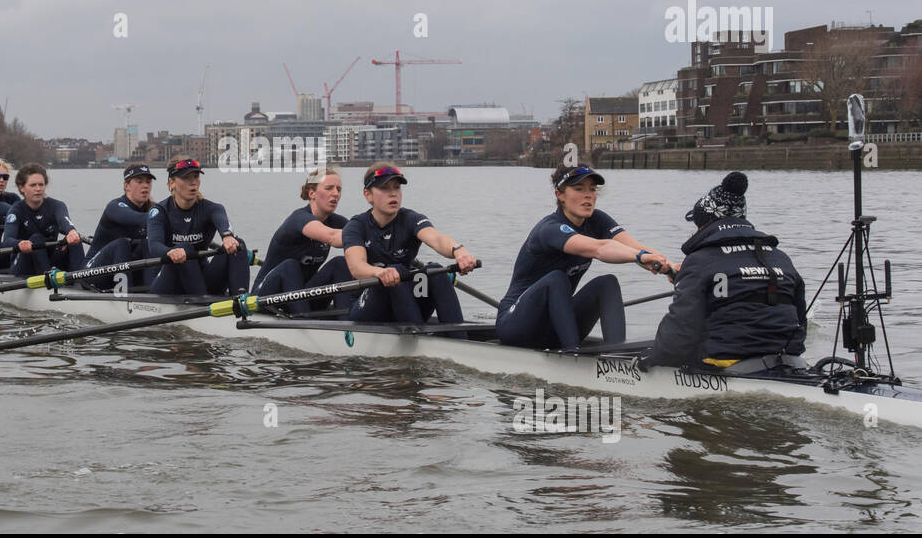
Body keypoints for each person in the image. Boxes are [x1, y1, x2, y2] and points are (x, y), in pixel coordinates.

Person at [495, 164, 672, 351]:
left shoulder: (597, 220)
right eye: (579, 189)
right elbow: (599, 248)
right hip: (516, 325)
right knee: (556, 279)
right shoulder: (550, 229)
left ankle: (616, 356)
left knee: (607, 282)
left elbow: (633, 246)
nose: (588, 195)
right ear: (560, 196)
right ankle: (573, 353)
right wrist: (640, 257)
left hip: (556, 324)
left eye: (592, 189)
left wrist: (670, 266)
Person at [643, 172, 807, 370]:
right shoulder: (781, 257)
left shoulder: (699, 261)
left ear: (706, 223)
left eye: (696, 225)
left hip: (728, 364)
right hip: (791, 362)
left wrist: (653, 359)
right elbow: (800, 320)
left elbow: (681, 329)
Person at [342, 163, 477, 331]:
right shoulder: (356, 226)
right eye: (384, 188)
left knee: (436, 271)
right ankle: (420, 343)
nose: (393, 193)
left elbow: (436, 239)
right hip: (368, 307)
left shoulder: (411, 219)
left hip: (405, 300)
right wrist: (380, 273)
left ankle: (458, 340)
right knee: (396, 272)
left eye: (397, 187)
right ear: (368, 195)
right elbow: (357, 267)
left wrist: (459, 251)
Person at [251, 166, 353, 314]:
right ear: (312, 193)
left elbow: (363, 237)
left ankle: (347, 324)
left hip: (300, 295)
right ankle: (305, 321)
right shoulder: (298, 219)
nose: (336, 193)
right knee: (290, 266)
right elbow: (332, 236)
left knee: (339, 263)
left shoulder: (337, 222)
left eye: (339, 189)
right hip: (266, 296)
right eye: (329, 188)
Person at [148, 156, 249, 297]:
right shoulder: (159, 211)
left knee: (238, 244)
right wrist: (170, 252)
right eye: (186, 178)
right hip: (168, 283)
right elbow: (154, 246)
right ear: (172, 183)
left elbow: (223, 223)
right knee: (184, 247)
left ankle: (242, 302)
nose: (193, 183)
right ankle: (204, 305)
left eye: (195, 177)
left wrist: (227, 237)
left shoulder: (212, 208)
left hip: (200, 279)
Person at [1, 163, 86, 277]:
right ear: (21, 188)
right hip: (24, 264)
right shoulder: (16, 210)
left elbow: (64, 220)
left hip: (49, 261)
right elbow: (7, 241)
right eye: (33, 185)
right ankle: (49, 284)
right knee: (36, 238)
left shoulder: (56, 205)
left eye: (41, 184)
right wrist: (20, 243)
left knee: (75, 238)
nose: (38, 189)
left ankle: (82, 280)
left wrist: (71, 232)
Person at [82, 163, 157, 290]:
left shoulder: (152, 209)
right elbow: (136, 218)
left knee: (149, 244)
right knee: (122, 244)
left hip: (122, 270)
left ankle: (153, 292)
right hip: (91, 274)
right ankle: (125, 295)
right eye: (139, 181)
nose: (145, 186)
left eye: (148, 182)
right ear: (126, 186)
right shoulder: (115, 206)